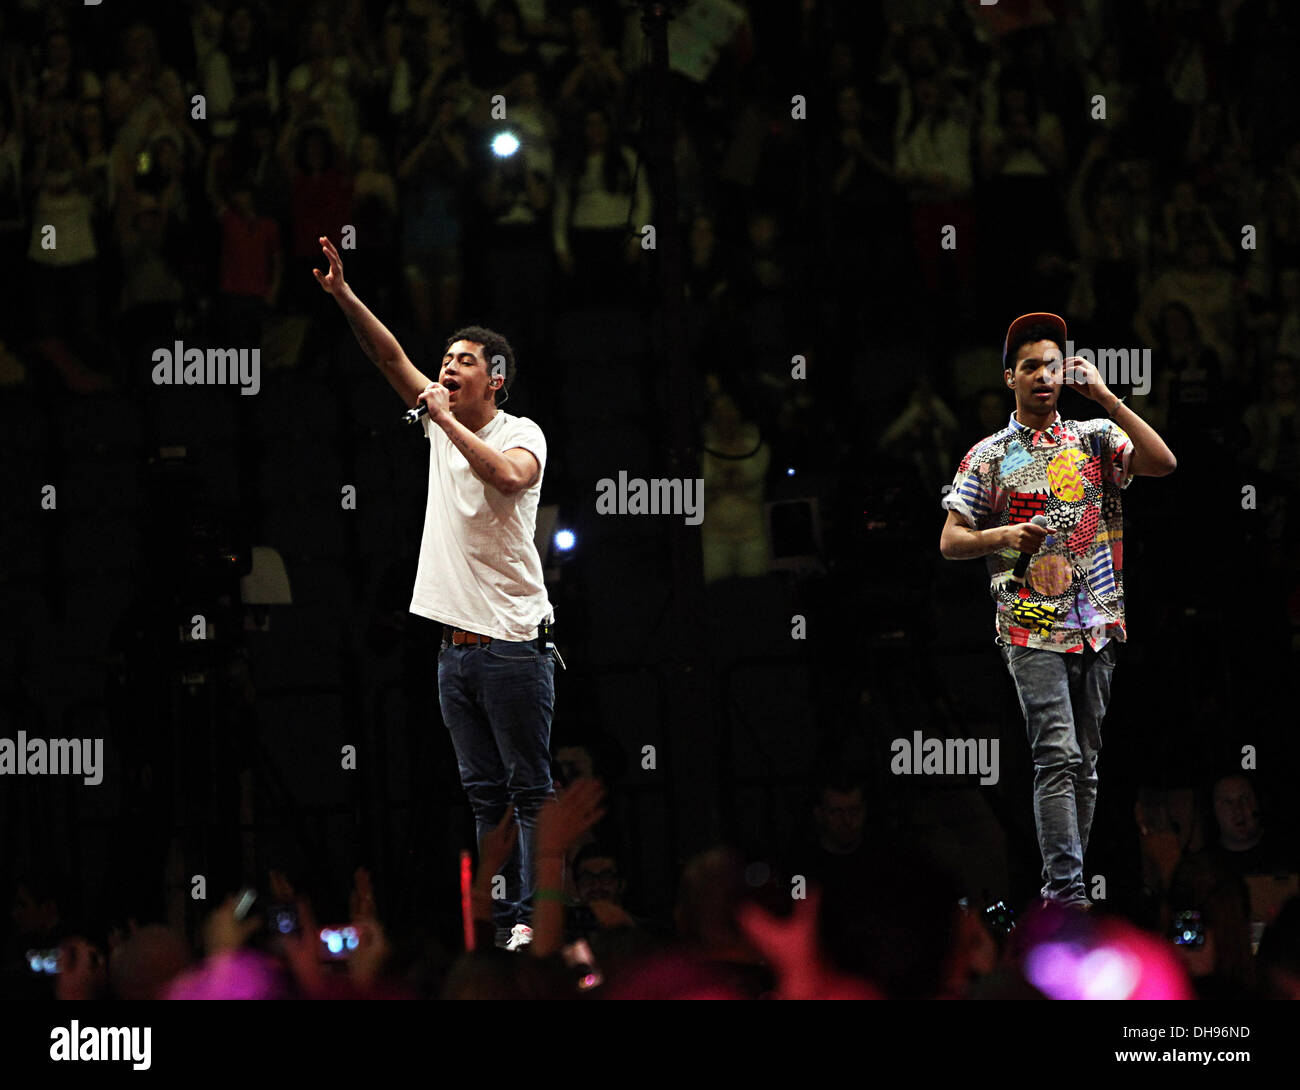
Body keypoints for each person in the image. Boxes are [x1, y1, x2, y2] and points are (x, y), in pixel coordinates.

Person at [313, 236, 558, 951]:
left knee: (531, 790)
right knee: (485, 795)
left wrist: (442, 419)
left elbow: (508, 479)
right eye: (446, 360)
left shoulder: (522, 432)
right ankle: (503, 922)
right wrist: (344, 295)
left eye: (465, 362)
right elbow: (390, 358)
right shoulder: (439, 421)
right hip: (455, 653)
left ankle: (539, 920)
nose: (448, 369)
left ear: (496, 379)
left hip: (515, 645)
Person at [939, 313, 1177, 909]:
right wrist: (1006, 536)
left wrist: (1105, 397)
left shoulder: (1095, 437)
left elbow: (1163, 462)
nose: (1042, 375)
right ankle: (1065, 896)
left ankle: (1062, 893)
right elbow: (950, 540)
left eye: (1051, 364)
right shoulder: (989, 456)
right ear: (1009, 379)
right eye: (1029, 367)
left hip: (1097, 620)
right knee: (1057, 755)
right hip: (1030, 626)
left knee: (1087, 763)